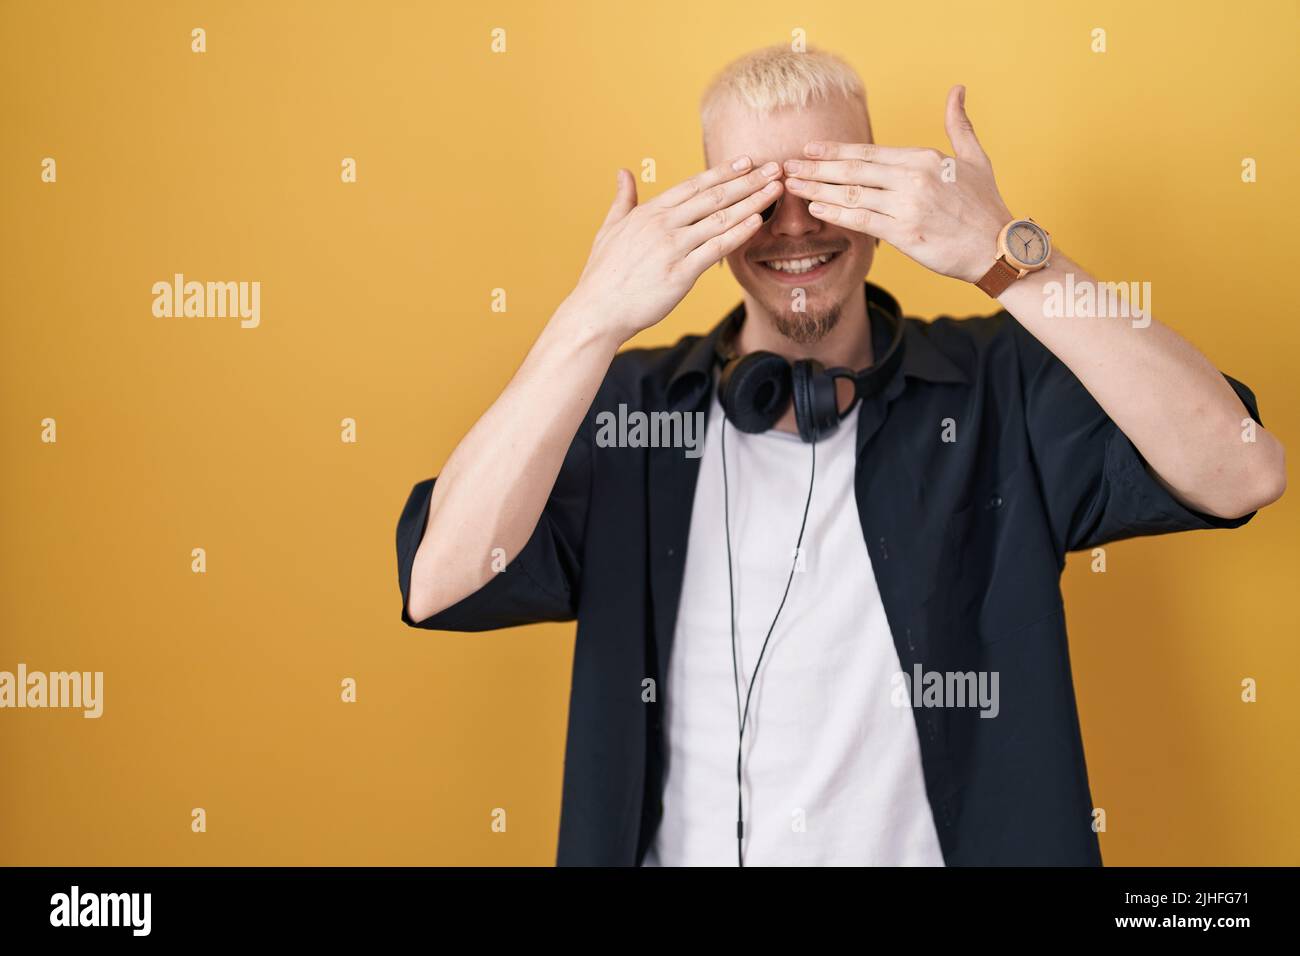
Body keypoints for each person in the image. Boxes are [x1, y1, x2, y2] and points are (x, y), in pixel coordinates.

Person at [395, 46, 1285, 866]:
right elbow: (442, 577)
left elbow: (1244, 468)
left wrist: (1003, 255)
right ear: (705, 212)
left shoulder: (996, 389)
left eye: (826, 186)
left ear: (882, 191)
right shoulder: (631, 409)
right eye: (752, 196)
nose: (792, 228)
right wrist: (592, 315)